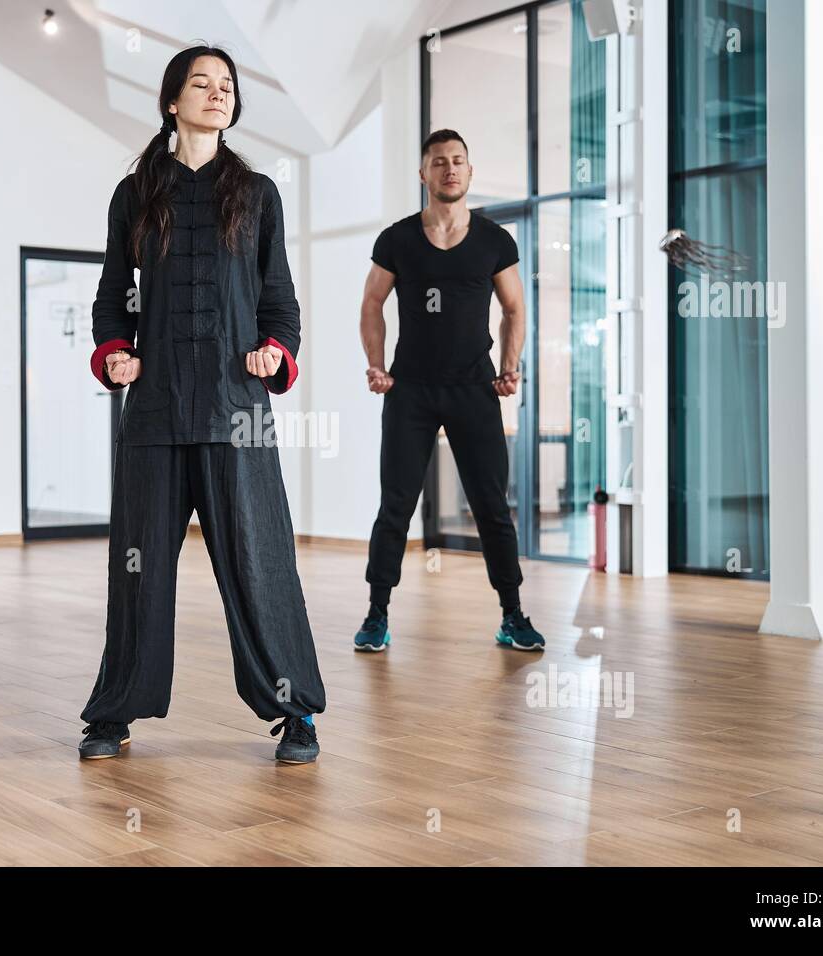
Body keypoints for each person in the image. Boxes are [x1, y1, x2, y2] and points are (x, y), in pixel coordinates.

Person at [78, 45, 325, 764]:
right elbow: (109, 298)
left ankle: (295, 711)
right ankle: (114, 712)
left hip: (236, 410)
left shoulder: (256, 192)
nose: (218, 95)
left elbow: (278, 297)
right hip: (153, 412)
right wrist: (113, 352)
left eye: (227, 86)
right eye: (201, 84)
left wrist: (276, 349)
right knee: (138, 567)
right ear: (171, 100)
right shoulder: (135, 194)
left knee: (260, 562)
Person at [354, 130, 545, 653]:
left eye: (458, 161)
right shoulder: (397, 239)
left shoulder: (494, 240)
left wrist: (509, 367)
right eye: (439, 162)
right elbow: (372, 303)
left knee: (489, 505)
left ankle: (513, 614)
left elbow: (514, 308)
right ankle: (376, 614)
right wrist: (376, 365)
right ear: (424, 174)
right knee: (396, 504)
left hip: (472, 389)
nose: (450, 169)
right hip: (410, 391)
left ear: (470, 171)